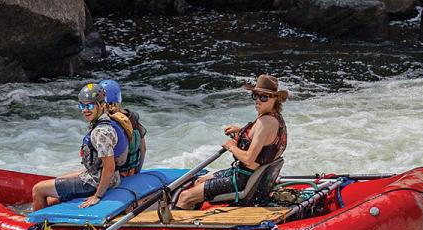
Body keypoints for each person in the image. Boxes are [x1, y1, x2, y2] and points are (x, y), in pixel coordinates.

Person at [175, 74, 289, 209]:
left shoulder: (265, 122)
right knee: (200, 180)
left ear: (275, 98)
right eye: (255, 96)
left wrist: (231, 146)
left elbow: (248, 159)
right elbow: (264, 139)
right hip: (250, 176)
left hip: (242, 180)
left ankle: (176, 228)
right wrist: (241, 131)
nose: (258, 101)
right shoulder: (275, 118)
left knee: (184, 197)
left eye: (264, 97)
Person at [31, 82, 128, 211]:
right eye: (82, 106)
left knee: (38, 189)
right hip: (102, 176)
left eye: (89, 106)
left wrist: (97, 196)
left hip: (94, 183)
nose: (85, 110)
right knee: (58, 183)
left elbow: (109, 168)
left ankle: (35, 226)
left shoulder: (100, 132)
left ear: (101, 105)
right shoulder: (106, 121)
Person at [101, 79, 147, 177]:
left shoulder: (106, 123)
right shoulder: (133, 117)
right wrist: (137, 173)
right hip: (132, 171)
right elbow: (143, 149)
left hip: (117, 175)